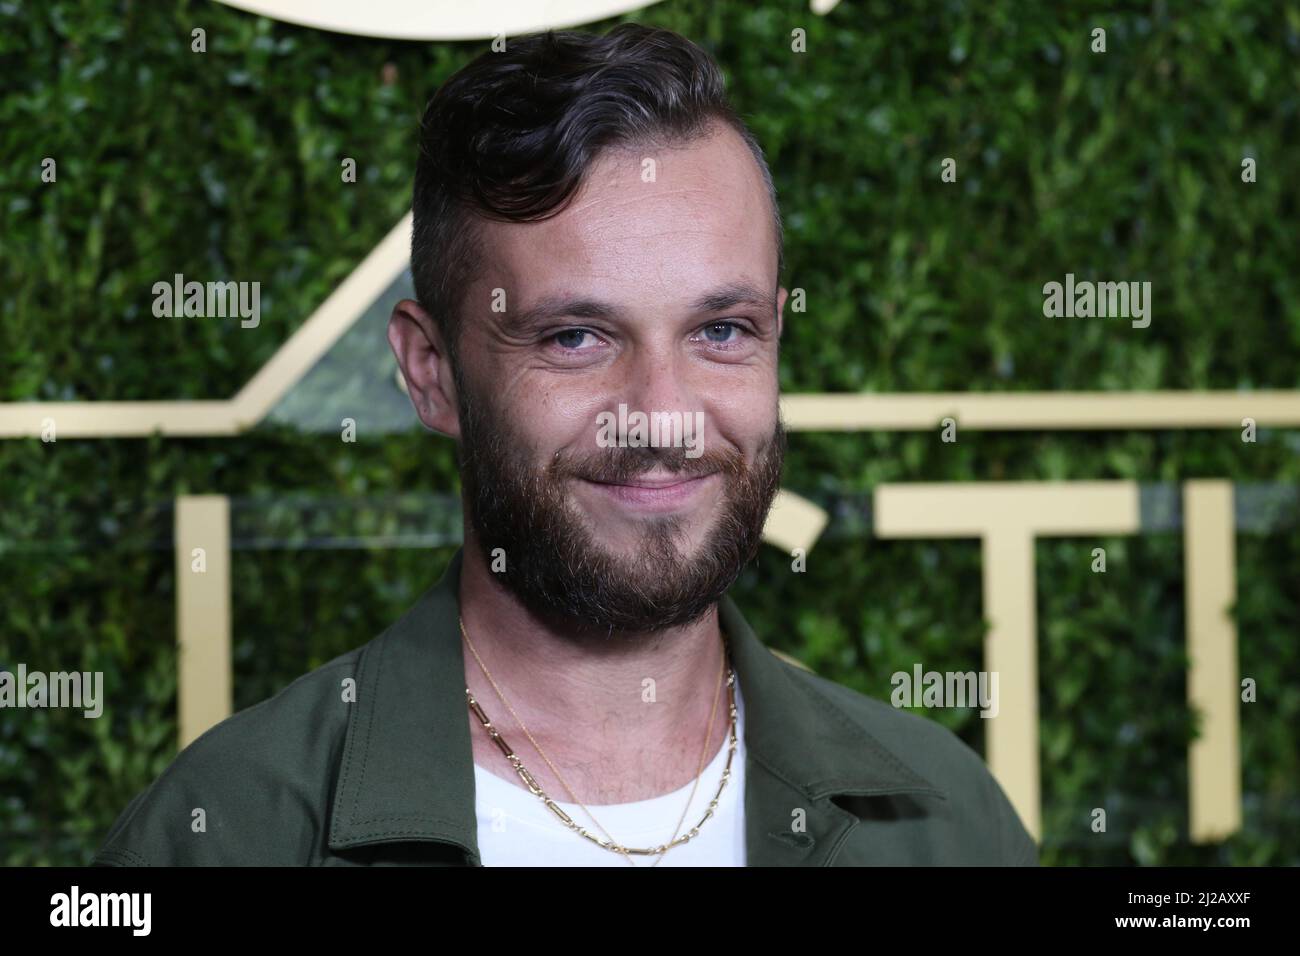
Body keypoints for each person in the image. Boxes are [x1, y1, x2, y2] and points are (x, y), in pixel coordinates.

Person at [93, 23, 1037, 867]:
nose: (661, 416)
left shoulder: (946, 825)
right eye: (574, 338)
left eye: (722, 331)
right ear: (431, 372)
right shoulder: (230, 832)